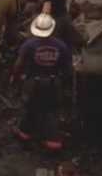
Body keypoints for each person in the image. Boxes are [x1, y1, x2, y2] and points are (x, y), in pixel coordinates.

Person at [10, 14, 71, 150]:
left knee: (29, 108)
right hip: (53, 83)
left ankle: (25, 133)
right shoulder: (61, 46)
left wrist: (15, 77)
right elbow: (68, 68)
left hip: (33, 83)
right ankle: (52, 140)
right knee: (51, 110)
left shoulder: (29, 45)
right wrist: (65, 84)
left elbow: (18, 64)